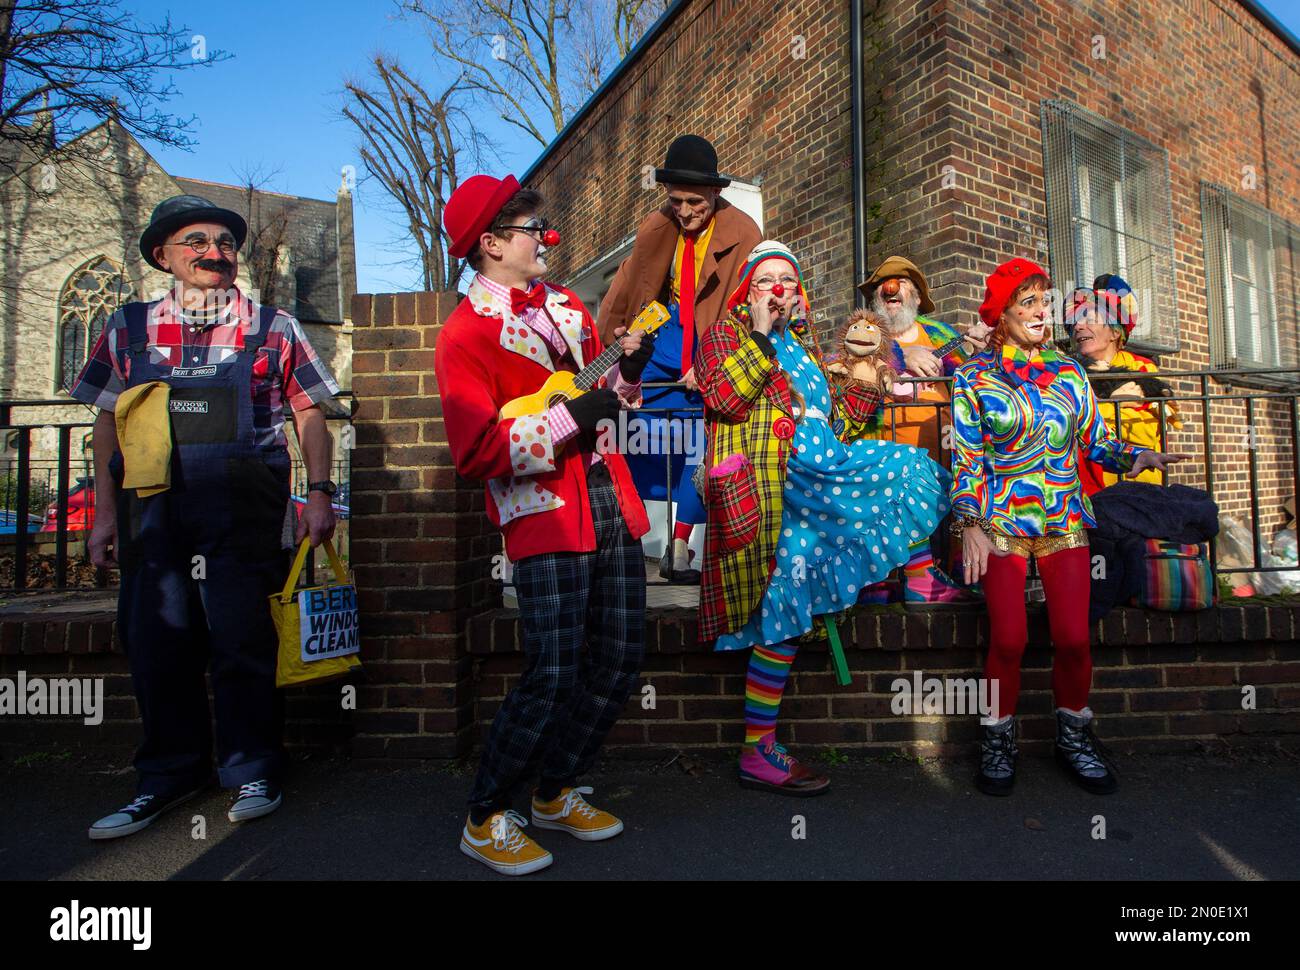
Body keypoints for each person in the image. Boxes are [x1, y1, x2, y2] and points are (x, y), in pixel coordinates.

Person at [75, 194, 341, 839]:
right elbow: (106, 420)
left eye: (223, 242)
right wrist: (103, 518)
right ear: (163, 255)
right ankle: (167, 776)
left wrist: (321, 493)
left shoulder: (271, 326)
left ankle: (254, 767)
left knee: (243, 638)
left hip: (243, 510)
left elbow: (309, 411)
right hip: (153, 513)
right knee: (157, 643)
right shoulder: (127, 330)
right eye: (194, 242)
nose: (212, 253)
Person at [435, 174, 655, 875]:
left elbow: (606, 397)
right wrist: (568, 419)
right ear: (492, 243)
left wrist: (628, 372)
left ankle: (556, 791)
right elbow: (476, 453)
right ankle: (487, 813)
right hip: (542, 514)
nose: (545, 236)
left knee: (620, 658)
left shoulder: (565, 306)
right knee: (552, 670)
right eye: (532, 226)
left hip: (610, 498)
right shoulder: (465, 333)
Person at [697, 241, 948, 795]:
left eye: (788, 280)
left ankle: (918, 580)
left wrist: (864, 379)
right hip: (778, 483)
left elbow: (834, 420)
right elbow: (726, 398)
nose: (779, 290)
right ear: (749, 291)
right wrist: (760, 333)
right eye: (767, 281)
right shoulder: (726, 337)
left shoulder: (805, 349)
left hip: (822, 470)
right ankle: (758, 749)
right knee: (779, 613)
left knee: (907, 466)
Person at [950, 258, 1188, 797]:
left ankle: (1075, 739)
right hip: (1001, 520)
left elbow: (1095, 441)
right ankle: (996, 740)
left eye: (1043, 300)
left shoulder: (1069, 373)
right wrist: (969, 523)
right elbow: (967, 458)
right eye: (1027, 301)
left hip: (1063, 517)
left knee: (1075, 637)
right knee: (1008, 640)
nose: (1041, 311)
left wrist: (1139, 456)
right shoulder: (972, 377)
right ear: (1002, 315)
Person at [598, 135, 762, 583]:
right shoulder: (657, 225)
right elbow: (627, 285)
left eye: (695, 202)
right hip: (666, 328)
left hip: (714, 335)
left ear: (715, 193)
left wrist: (710, 364)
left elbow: (744, 307)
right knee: (618, 414)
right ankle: (617, 536)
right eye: (677, 202)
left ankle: (679, 547)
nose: (686, 212)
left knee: (708, 432)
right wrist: (611, 342)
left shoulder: (744, 233)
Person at [856, 256, 991, 605]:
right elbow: (843, 365)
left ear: (917, 297)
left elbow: (972, 381)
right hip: (882, 462)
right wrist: (901, 354)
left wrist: (981, 353)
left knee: (948, 532)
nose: (891, 288)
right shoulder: (864, 333)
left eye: (902, 282)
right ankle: (881, 583)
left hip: (942, 456)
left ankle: (957, 579)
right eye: (883, 285)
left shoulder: (942, 335)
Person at [1066, 274, 1182, 495]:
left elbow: (1143, 432)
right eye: (1075, 322)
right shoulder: (1067, 370)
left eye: (1089, 319)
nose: (1078, 327)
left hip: (1133, 485)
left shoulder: (1141, 368)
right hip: (1082, 490)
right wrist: (1112, 403)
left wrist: (1093, 407)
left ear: (1115, 331)